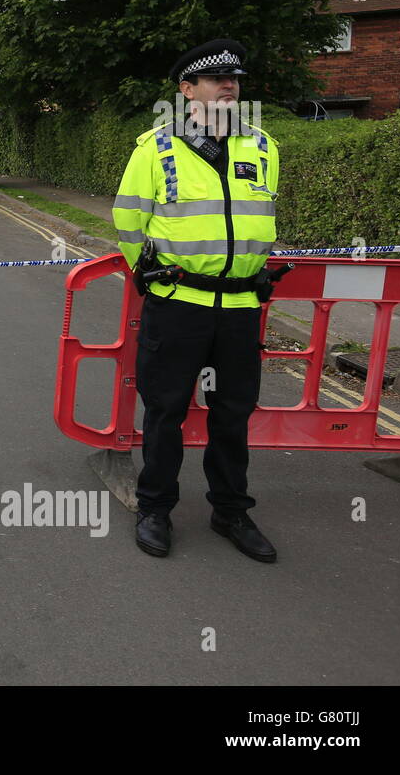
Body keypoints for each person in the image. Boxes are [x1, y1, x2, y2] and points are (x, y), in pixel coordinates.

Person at [112, 38, 281, 564]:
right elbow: (127, 220)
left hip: (239, 308)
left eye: (234, 79)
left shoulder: (263, 146)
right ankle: (155, 509)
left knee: (233, 414)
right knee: (165, 411)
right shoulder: (155, 149)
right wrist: (148, 272)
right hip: (179, 303)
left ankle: (230, 510)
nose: (229, 86)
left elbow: (258, 216)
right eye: (216, 80)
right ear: (187, 90)